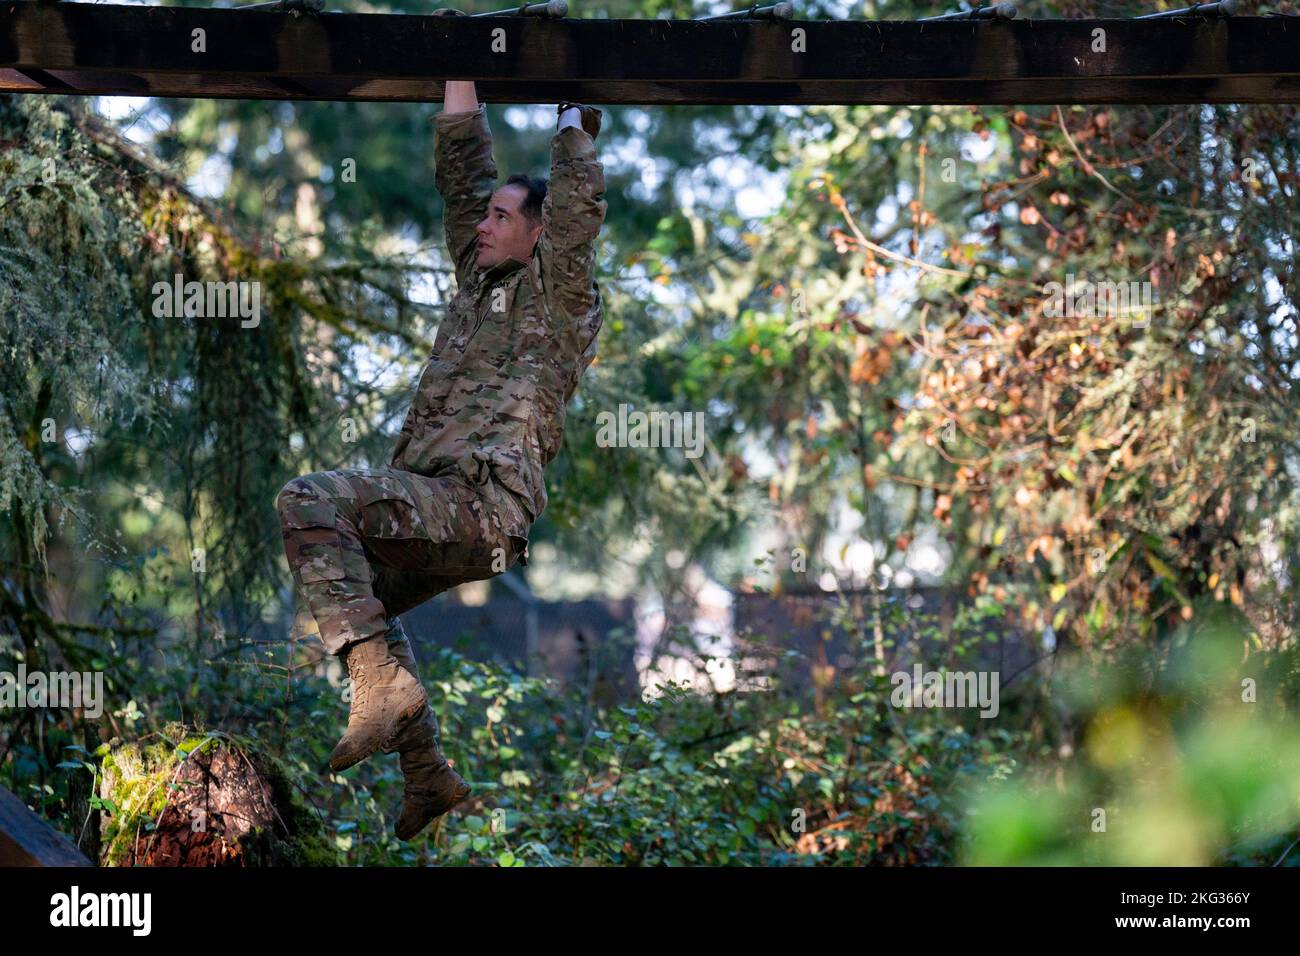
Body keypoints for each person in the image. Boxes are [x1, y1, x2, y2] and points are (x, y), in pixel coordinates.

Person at [275, 75, 607, 841]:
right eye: (486, 218)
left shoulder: (558, 298)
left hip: (482, 505)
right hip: (441, 504)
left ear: (538, 231)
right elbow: (464, 183)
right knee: (352, 594)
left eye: (502, 217)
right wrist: (461, 74)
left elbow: (577, 211)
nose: (485, 224)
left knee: (309, 501)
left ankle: (387, 701)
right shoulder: (479, 282)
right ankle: (427, 775)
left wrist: (571, 124)